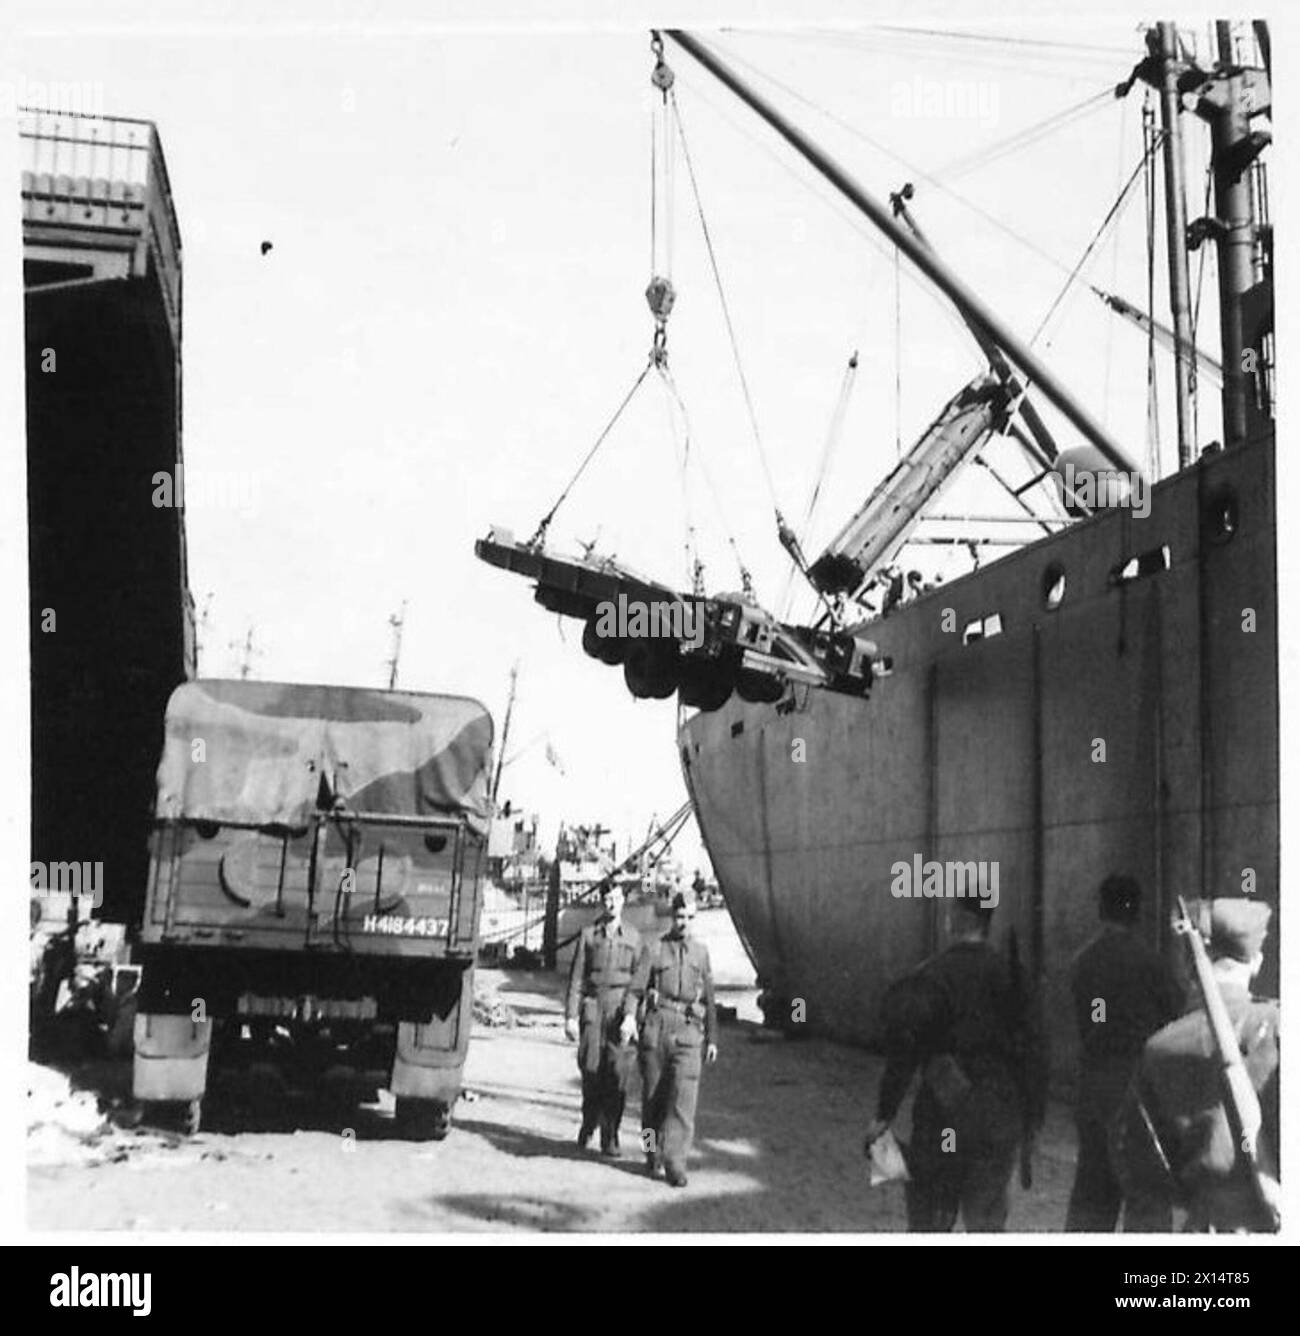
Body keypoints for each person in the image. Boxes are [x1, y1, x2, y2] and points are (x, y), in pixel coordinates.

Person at [863, 892, 1047, 1231]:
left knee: (931, 1218)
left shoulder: (930, 975)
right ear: (987, 924)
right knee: (987, 1223)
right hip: (996, 1115)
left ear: (954, 919)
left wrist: (884, 1114)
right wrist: (1033, 1119)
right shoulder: (1014, 975)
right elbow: (1035, 1051)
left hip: (943, 1116)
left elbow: (905, 1051)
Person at [1112, 898, 1279, 1232]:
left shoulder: (1160, 1047)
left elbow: (1141, 1164)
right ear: (1257, 962)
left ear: (1188, 966)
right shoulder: (1277, 1026)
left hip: (1204, 1223)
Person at [1065, 875, 1184, 1231]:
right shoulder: (1152, 963)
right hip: (1139, 1090)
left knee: (1092, 1191)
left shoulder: (1082, 962)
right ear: (1137, 912)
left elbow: (1088, 1021)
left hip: (1094, 1085)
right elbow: (1175, 1018)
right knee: (1146, 1194)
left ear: (1102, 908)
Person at [635, 891, 718, 1187]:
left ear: (693, 919)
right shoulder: (654, 947)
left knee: (683, 1103)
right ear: (672, 917)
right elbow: (636, 989)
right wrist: (631, 1023)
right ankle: (649, 1152)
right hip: (657, 1030)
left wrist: (712, 1038)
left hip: (688, 1033)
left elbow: (709, 998)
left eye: (688, 917)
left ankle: (675, 1163)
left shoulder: (701, 952)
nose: (683, 922)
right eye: (679, 916)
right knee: (652, 1102)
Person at [563, 881, 642, 1156]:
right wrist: (571, 1016)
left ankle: (611, 1134)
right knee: (591, 1071)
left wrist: (631, 1015)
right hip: (593, 1011)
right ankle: (588, 1122)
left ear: (623, 901)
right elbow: (576, 980)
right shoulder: (588, 936)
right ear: (602, 902)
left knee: (617, 1075)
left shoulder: (633, 937)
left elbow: (638, 984)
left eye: (616, 898)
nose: (611, 903)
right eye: (607, 899)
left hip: (619, 1013)